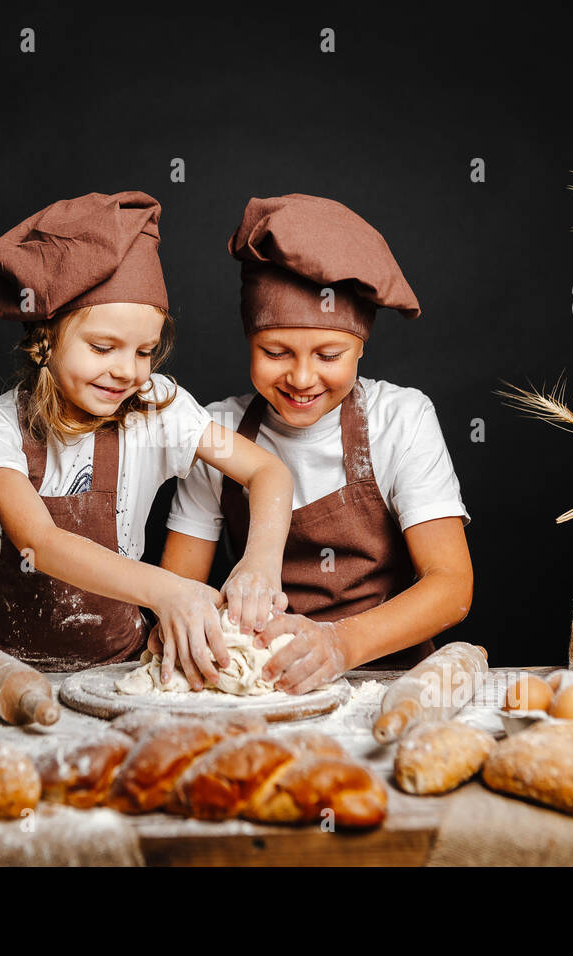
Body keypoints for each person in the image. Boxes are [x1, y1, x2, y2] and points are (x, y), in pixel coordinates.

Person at [0, 191, 292, 684]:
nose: (126, 371)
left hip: (123, 673)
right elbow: (40, 542)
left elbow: (267, 471)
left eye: (144, 351)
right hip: (10, 670)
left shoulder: (159, 411)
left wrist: (259, 563)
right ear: (44, 338)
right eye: (102, 347)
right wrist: (168, 590)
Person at [160, 193, 473, 694]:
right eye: (275, 351)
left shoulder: (400, 420)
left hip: (388, 681)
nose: (302, 378)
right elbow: (179, 588)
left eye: (329, 354)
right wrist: (187, 630)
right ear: (248, 342)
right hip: (261, 689)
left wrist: (339, 645)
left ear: (361, 347)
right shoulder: (216, 432)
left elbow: (451, 586)